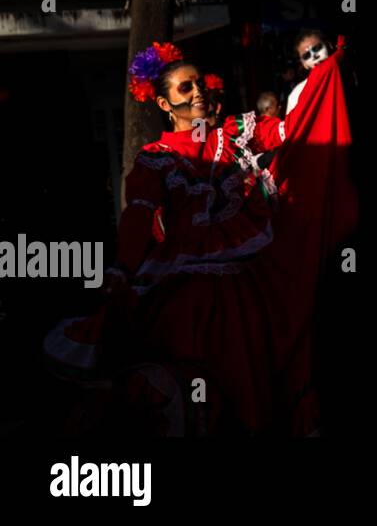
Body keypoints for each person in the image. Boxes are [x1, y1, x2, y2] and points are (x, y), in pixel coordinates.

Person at [45, 37, 358, 434]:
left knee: (266, 366)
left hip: (250, 278)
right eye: (185, 87)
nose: (199, 93)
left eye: (200, 85)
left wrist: (328, 71)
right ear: (163, 104)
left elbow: (296, 130)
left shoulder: (235, 133)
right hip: (186, 289)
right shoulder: (156, 158)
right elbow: (140, 213)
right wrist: (123, 267)